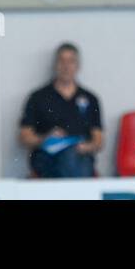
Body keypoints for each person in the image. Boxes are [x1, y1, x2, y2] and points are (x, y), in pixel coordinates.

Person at [19, 44, 104, 179]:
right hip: (47, 158)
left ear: (78, 66)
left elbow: (98, 141)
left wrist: (84, 147)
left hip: (80, 156)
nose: (66, 66)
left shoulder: (90, 98)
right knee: (69, 162)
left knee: (72, 158)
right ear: (55, 65)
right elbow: (25, 137)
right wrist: (45, 138)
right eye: (62, 61)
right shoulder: (38, 97)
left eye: (71, 61)